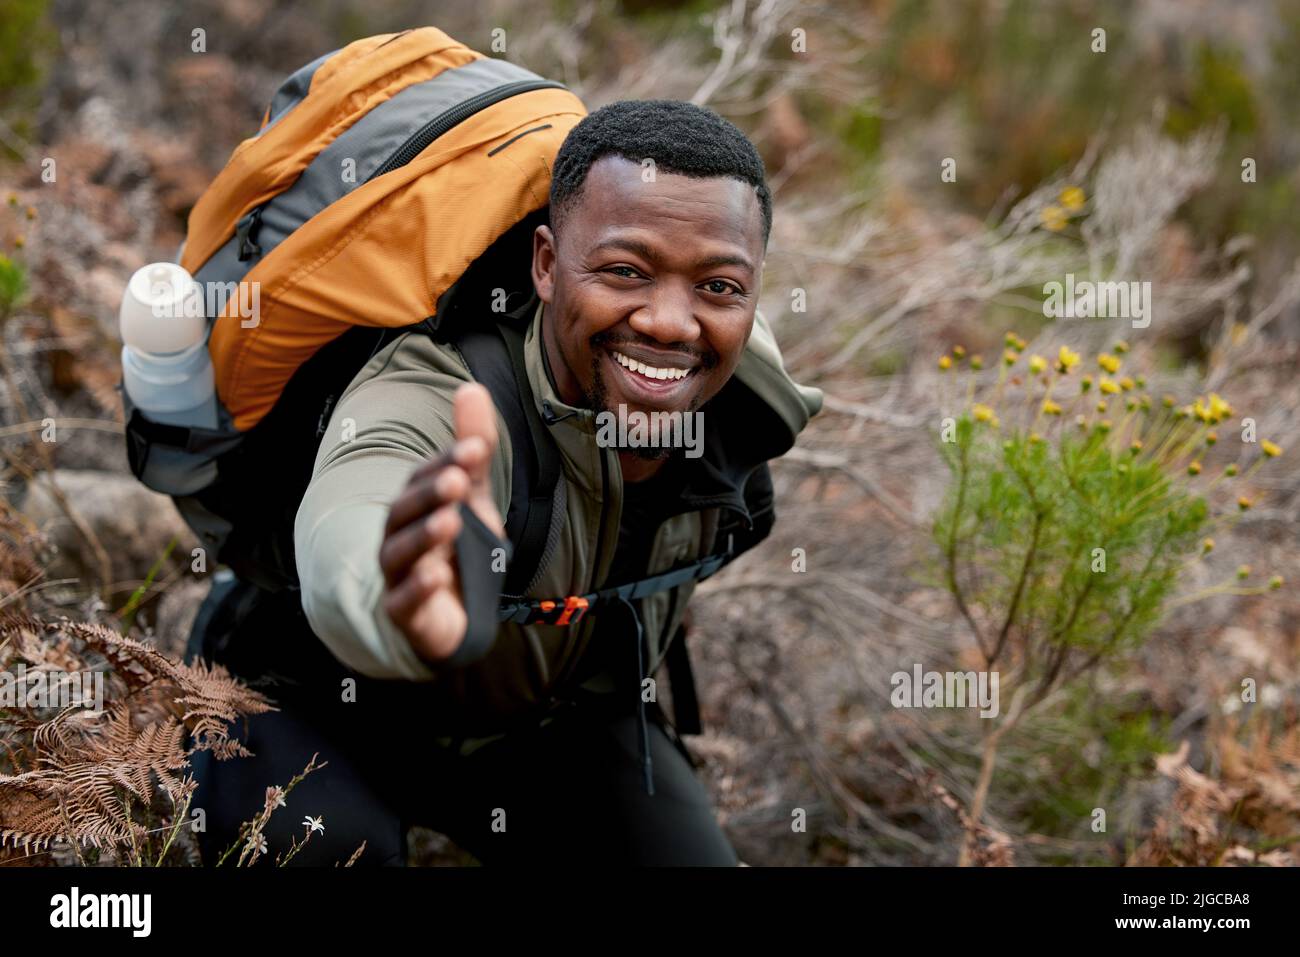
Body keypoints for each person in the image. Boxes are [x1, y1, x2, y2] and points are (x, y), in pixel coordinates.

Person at [188, 99, 823, 866]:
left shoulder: (740, 409)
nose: (669, 322)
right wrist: (391, 599)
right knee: (320, 849)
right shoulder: (438, 388)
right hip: (321, 701)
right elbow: (356, 507)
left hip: (548, 728)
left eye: (719, 287)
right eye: (625, 271)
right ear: (548, 264)